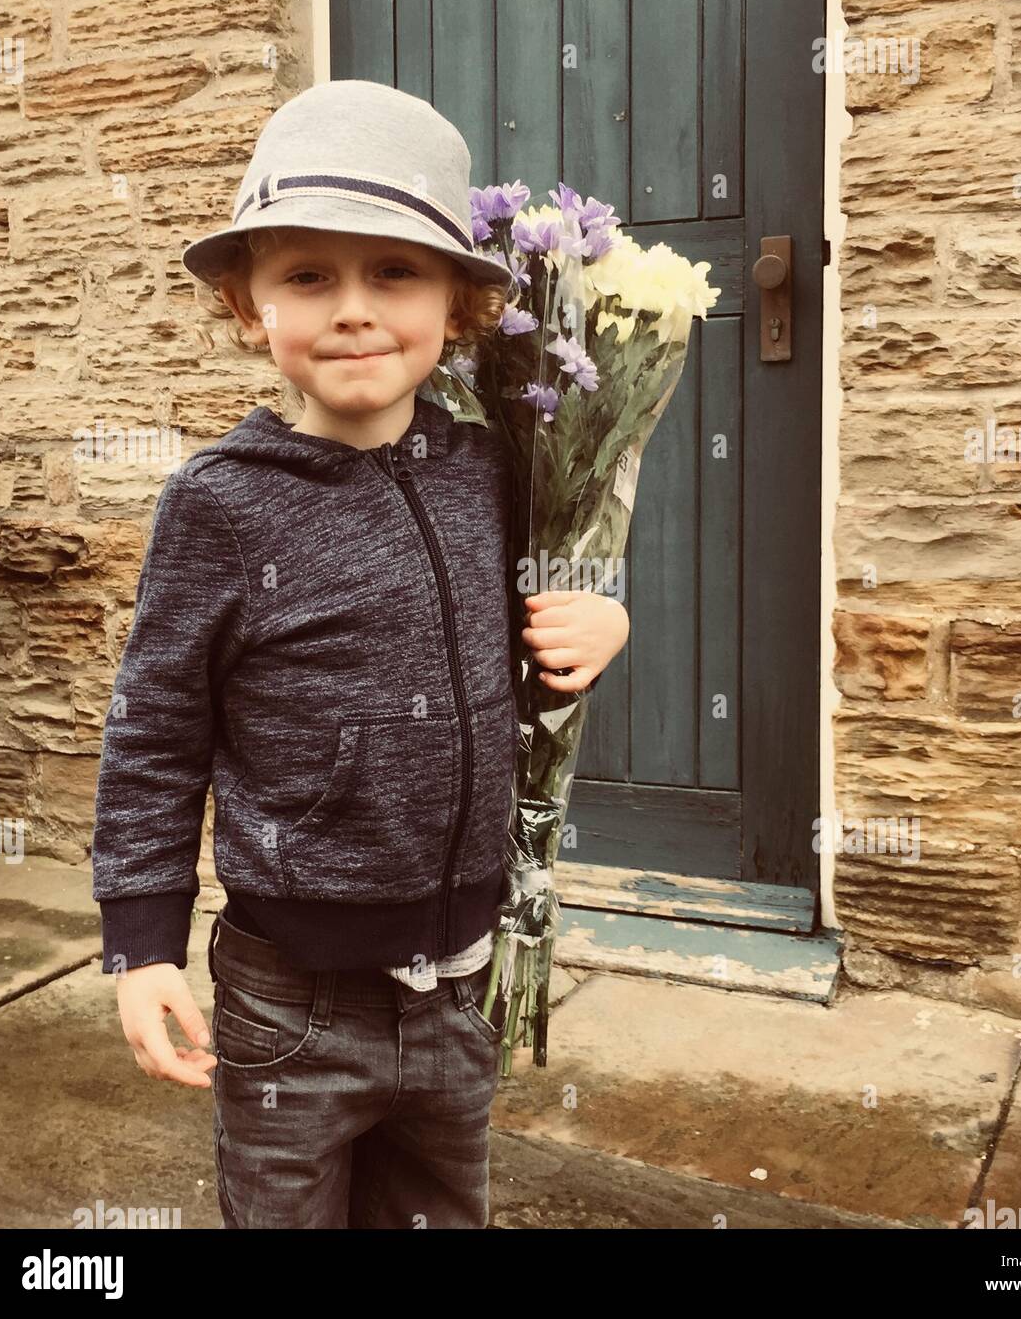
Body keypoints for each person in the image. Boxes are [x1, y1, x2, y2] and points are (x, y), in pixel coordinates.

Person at [90, 79, 630, 1229]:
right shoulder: (221, 504)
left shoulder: (495, 471)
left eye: (392, 272)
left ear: (463, 305)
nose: (351, 309)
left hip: (466, 980)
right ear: (247, 308)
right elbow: (153, 729)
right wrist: (141, 943)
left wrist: (601, 623)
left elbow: (521, 665)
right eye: (307, 276)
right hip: (292, 997)